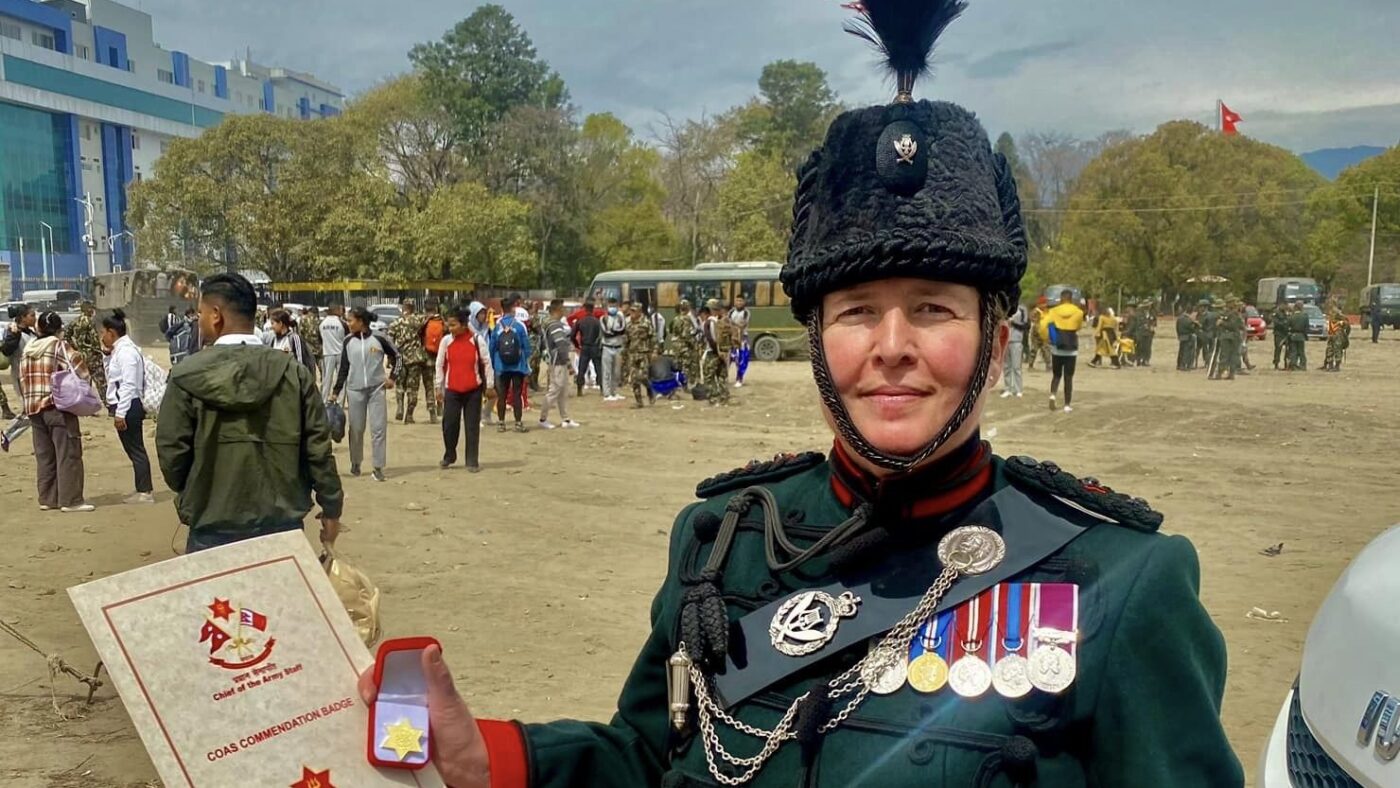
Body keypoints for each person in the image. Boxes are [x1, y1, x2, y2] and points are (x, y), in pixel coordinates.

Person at [355, 7, 1244, 783]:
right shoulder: (720, 541)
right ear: (818, 340)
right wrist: (490, 757)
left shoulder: (1123, 584)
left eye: (933, 309)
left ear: (997, 340)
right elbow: (651, 757)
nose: (891, 350)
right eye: (856, 312)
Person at [156, 273, 342, 552]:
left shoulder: (185, 377)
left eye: (201, 313)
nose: (199, 320)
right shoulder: (295, 375)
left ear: (216, 315)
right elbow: (318, 449)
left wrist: (200, 486)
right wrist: (331, 507)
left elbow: (172, 453)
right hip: (282, 528)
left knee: (218, 597)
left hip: (211, 526)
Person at [20, 311, 93, 513]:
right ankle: (71, 500)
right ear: (59, 328)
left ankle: (48, 498)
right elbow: (82, 370)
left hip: (33, 409)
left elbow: (22, 379)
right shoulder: (59, 346)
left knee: (45, 456)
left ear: (38, 328)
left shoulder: (28, 349)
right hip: (57, 408)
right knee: (68, 453)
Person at [332, 307, 398, 481]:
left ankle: (378, 467)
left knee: (378, 429)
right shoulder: (347, 341)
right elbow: (344, 369)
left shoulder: (379, 338)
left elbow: (398, 357)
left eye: (350, 320)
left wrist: (392, 378)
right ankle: (356, 462)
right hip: (355, 390)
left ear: (361, 321)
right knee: (356, 429)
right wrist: (335, 391)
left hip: (376, 389)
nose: (348, 323)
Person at [101, 309, 154, 504]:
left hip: (129, 404)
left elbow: (129, 385)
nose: (102, 337)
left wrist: (121, 413)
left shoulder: (127, 353)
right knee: (132, 449)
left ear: (111, 332)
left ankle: (145, 491)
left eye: (103, 333)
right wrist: (107, 356)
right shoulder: (119, 351)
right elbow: (112, 378)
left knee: (136, 449)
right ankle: (141, 488)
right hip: (123, 403)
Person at [435, 307, 493, 472]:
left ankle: (472, 460)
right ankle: (450, 454)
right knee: (449, 425)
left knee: (472, 426)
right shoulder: (446, 341)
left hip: (473, 390)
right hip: (452, 390)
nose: (450, 328)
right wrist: (438, 386)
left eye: (453, 325)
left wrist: (489, 385)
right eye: (449, 325)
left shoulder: (476, 340)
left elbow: (487, 363)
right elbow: (439, 364)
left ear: (463, 325)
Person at [389, 300, 436, 424]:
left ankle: (400, 407)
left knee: (399, 385)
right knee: (413, 388)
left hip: (400, 358)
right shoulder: (419, 320)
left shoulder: (395, 322)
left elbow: (389, 340)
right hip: (415, 359)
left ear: (403, 307)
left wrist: (390, 358)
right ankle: (409, 415)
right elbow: (431, 318)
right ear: (413, 308)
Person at [490, 300, 532, 433]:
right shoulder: (520, 326)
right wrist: (525, 364)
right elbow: (527, 348)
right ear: (513, 309)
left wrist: (493, 363)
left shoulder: (497, 326)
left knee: (502, 395)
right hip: (517, 365)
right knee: (517, 394)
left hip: (501, 366)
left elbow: (492, 346)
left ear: (502, 309)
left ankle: (501, 423)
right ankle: (518, 423)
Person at [538, 299, 580, 429]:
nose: (564, 311)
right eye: (562, 308)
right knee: (555, 390)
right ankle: (543, 418)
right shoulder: (555, 325)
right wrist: (568, 364)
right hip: (558, 361)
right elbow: (561, 345)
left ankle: (565, 419)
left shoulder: (548, 323)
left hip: (556, 360)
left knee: (562, 391)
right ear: (556, 310)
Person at [1043, 288, 1084, 412]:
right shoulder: (1078, 312)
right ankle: (1067, 405)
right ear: (1071, 299)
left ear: (1061, 299)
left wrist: (1047, 337)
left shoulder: (1053, 311)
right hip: (1071, 347)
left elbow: (1044, 325)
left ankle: (1052, 395)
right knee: (1068, 377)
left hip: (1057, 347)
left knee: (1056, 375)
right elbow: (1079, 326)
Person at [67, 301, 106, 395]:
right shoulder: (90, 322)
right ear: (88, 310)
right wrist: (99, 351)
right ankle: (108, 403)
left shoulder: (74, 321)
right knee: (101, 382)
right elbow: (94, 338)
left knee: (83, 382)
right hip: (92, 356)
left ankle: (84, 401)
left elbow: (66, 336)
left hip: (80, 356)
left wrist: (74, 347)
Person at [624, 302, 657, 408]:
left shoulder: (646, 323)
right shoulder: (629, 325)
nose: (632, 313)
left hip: (644, 354)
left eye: (634, 311)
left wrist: (655, 351)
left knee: (642, 376)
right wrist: (623, 355)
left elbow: (653, 338)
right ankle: (639, 401)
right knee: (634, 379)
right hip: (632, 354)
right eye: (631, 311)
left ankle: (650, 390)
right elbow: (626, 341)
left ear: (640, 312)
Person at [701, 301, 733, 406]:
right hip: (724, 353)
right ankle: (724, 398)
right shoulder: (723, 322)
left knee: (709, 377)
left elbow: (710, 339)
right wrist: (723, 353)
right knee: (722, 377)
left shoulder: (708, 322)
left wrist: (716, 351)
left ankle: (714, 399)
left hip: (712, 353)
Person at [572, 300, 603, 398]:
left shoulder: (580, 321)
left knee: (582, 369)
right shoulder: (597, 322)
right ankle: (602, 388)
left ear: (585, 309)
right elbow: (601, 335)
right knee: (598, 368)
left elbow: (572, 335)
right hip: (595, 346)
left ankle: (579, 389)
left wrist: (577, 345)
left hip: (585, 346)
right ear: (593, 309)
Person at [667, 300, 699, 391]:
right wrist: (693, 344)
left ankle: (676, 385)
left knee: (677, 365)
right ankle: (685, 386)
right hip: (684, 346)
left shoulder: (675, 319)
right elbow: (686, 335)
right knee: (686, 366)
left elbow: (670, 331)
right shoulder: (686, 319)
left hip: (676, 345)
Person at [320, 304, 349, 402]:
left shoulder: (322, 323)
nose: (342, 312)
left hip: (328, 353)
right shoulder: (342, 323)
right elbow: (348, 337)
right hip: (341, 353)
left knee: (326, 378)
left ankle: (324, 401)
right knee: (341, 378)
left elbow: (320, 338)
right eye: (340, 310)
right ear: (336, 310)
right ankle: (339, 402)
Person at [600, 298, 627, 402]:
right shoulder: (603, 318)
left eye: (614, 305)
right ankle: (607, 394)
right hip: (607, 347)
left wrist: (613, 331)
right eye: (610, 306)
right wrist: (615, 332)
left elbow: (623, 330)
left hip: (618, 347)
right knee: (606, 371)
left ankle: (614, 391)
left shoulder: (620, 317)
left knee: (616, 372)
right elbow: (606, 333)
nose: (612, 308)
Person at [1210, 298, 1243, 381]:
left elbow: (1233, 326)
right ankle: (1228, 374)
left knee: (1227, 356)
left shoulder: (1234, 314)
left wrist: (1222, 323)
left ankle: (1222, 374)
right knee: (1229, 356)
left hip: (1230, 337)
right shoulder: (1230, 313)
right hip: (1230, 336)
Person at [1001, 301, 1027, 397]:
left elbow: (1025, 326)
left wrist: (1013, 323)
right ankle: (1008, 388)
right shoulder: (1005, 308)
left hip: (1016, 340)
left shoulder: (1022, 309)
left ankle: (1018, 389)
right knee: (1006, 366)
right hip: (1005, 341)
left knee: (1016, 367)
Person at [729, 295, 752, 387]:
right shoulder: (731, 312)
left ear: (744, 302)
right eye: (737, 300)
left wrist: (733, 325)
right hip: (731, 339)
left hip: (742, 339)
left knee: (741, 359)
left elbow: (742, 325)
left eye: (740, 301)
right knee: (728, 359)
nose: (739, 302)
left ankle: (739, 378)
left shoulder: (746, 313)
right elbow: (727, 321)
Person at [298, 306, 324, 384]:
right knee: (321, 366)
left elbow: (300, 333)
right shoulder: (319, 321)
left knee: (310, 367)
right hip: (318, 347)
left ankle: (312, 382)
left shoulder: (303, 320)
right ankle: (323, 380)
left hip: (307, 347)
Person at [1027, 295, 1051, 370]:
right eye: (1043, 304)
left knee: (1046, 350)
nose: (1044, 305)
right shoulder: (1036, 312)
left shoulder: (1047, 311)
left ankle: (1048, 365)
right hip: (1036, 334)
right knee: (1034, 350)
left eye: (1045, 303)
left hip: (1044, 334)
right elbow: (1034, 321)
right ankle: (1030, 365)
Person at [1324, 307, 1349, 372]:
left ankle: (1337, 366)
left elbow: (1347, 327)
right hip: (1331, 335)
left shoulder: (1341, 322)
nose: (1331, 315)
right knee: (1330, 350)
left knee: (1337, 350)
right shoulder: (1330, 322)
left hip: (1338, 335)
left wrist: (1345, 335)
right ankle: (1330, 365)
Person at [1286, 302, 1309, 371]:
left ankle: (1293, 365)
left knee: (1294, 351)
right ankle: (1303, 365)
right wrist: (1305, 336)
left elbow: (1288, 327)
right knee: (1301, 352)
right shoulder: (1305, 316)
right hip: (1301, 336)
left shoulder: (1291, 317)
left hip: (1293, 336)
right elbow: (1306, 328)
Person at [1270, 302, 1290, 369]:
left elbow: (1290, 320)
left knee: (1288, 349)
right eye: (1284, 305)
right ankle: (1276, 363)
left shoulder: (1287, 313)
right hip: (1278, 333)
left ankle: (1286, 364)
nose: (1285, 306)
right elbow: (1275, 322)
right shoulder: (1276, 313)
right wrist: (1284, 324)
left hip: (1286, 334)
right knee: (1278, 349)